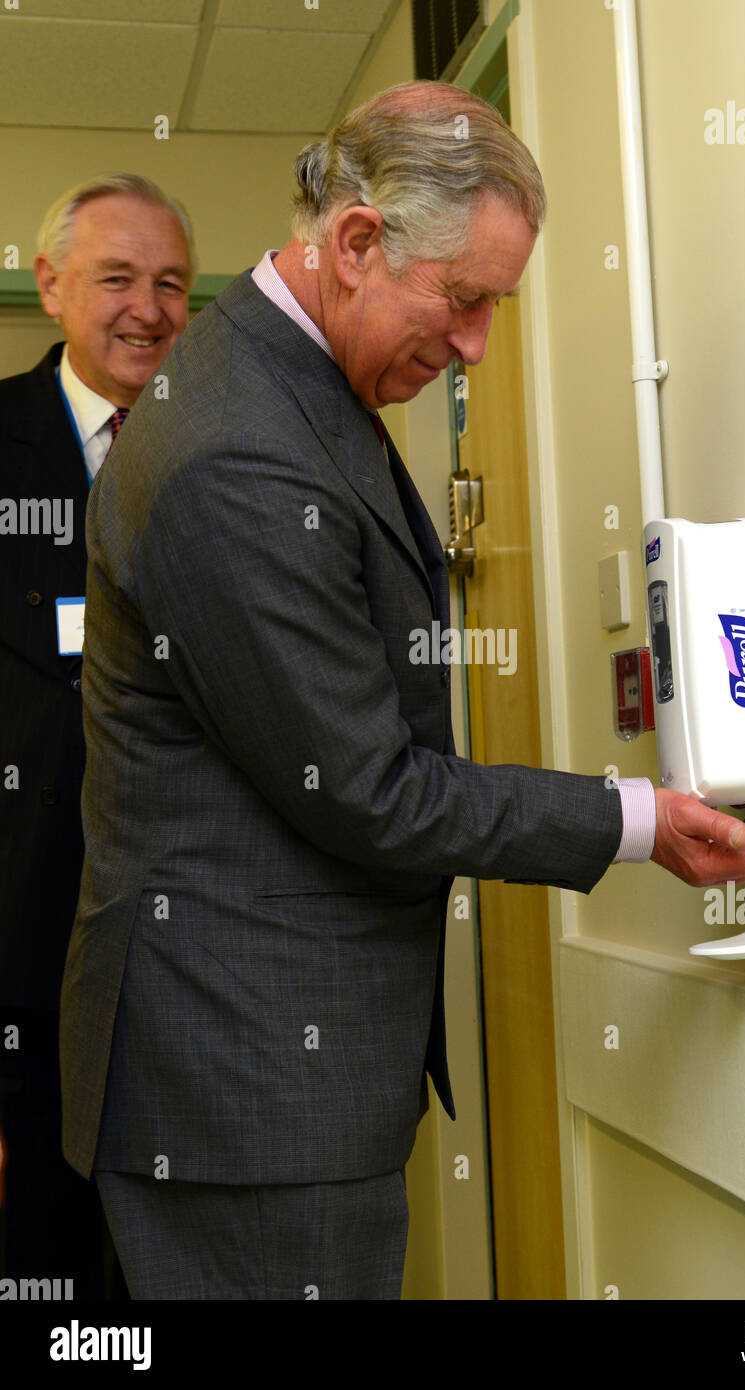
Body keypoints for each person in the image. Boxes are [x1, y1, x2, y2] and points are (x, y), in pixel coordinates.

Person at [59, 83, 745, 1301]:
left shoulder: (288, 384)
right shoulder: (234, 449)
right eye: (465, 299)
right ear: (353, 243)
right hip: (245, 1095)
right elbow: (368, 792)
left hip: (273, 1072)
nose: (478, 343)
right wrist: (639, 821)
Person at [0, 174, 195, 1297]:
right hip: (29, 972)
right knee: (49, 1271)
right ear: (50, 285)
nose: (148, 308)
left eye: (171, 283)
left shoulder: (220, 452)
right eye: (117, 277)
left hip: (196, 974)